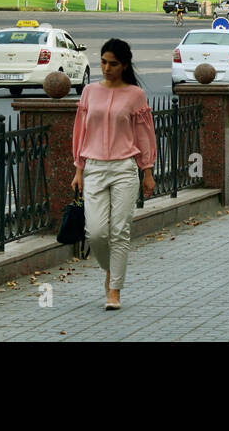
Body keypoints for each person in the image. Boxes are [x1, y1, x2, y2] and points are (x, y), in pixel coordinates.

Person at [71, 39, 156, 310]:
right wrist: (78, 169)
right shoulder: (89, 92)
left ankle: (114, 290)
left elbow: (145, 136)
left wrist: (148, 171)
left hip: (124, 169)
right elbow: (80, 132)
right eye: (103, 62)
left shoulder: (135, 95)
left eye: (113, 64)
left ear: (125, 65)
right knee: (95, 232)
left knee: (119, 231)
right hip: (94, 167)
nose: (107, 68)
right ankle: (111, 270)